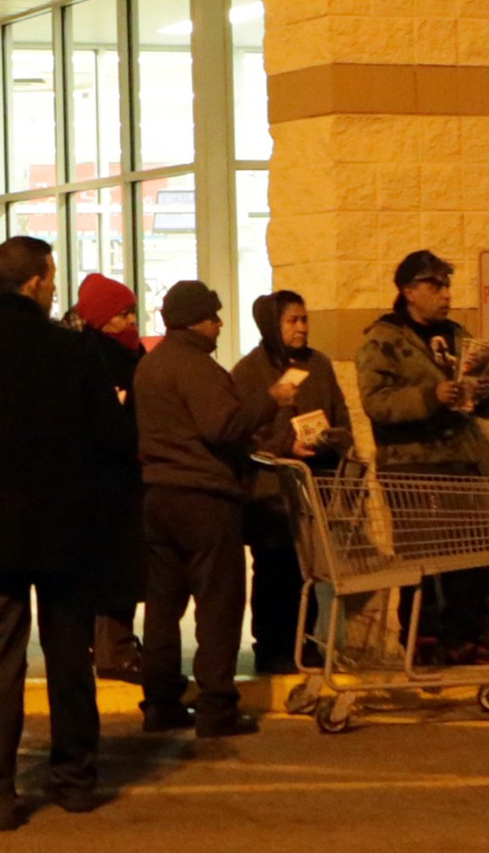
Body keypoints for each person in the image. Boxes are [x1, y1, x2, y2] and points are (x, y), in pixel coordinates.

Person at [0, 237, 129, 831]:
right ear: (35, 282)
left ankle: (0, 787)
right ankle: (75, 778)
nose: (56, 286)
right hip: (64, 528)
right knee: (69, 654)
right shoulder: (74, 351)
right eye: (52, 277)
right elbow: (111, 438)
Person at [135, 280, 294, 737]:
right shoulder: (196, 367)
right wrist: (271, 401)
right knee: (218, 603)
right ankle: (216, 704)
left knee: (164, 606)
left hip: (159, 495)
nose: (220, 324)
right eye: (214, 316)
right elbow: (223, 426)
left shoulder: (151, 366)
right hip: (204, 497)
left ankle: (161, 701)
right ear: (193, 321)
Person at [356, 251, 489, 664]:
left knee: (474, 553)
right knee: (422, 557)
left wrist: (485, 392)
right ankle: (422, 639)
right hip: (410, 465)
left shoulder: (457, 336)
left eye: (447, 285)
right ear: (408, 291)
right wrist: (430, 396)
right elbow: (376, 402)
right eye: (434, 286)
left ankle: (467, 636)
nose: (445, 295)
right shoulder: (383, 339)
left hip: (460, 460)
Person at [232, 290, 350, 674]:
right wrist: (286, 445)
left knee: (308, 572)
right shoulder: (249, 371)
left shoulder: (320, 365)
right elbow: (242, 430)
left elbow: (341, 417)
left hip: (312, 490)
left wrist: (331, 439)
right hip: (271, 493)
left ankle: (304, 642)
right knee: (273, 572)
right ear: (272, 325)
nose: (302, 328)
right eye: (292, 321)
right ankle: (272, 646)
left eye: (304, 319)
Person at [62, 272, 148, 684]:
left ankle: (116, 644)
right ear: (99, 317)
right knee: (111, 569)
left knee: (122, 567)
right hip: (101, 483)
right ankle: (112, 649)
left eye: (132, 312)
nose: (129, 322)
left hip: (125, 478)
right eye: (121, 314)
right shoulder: (90, 357)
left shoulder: (133, 354)